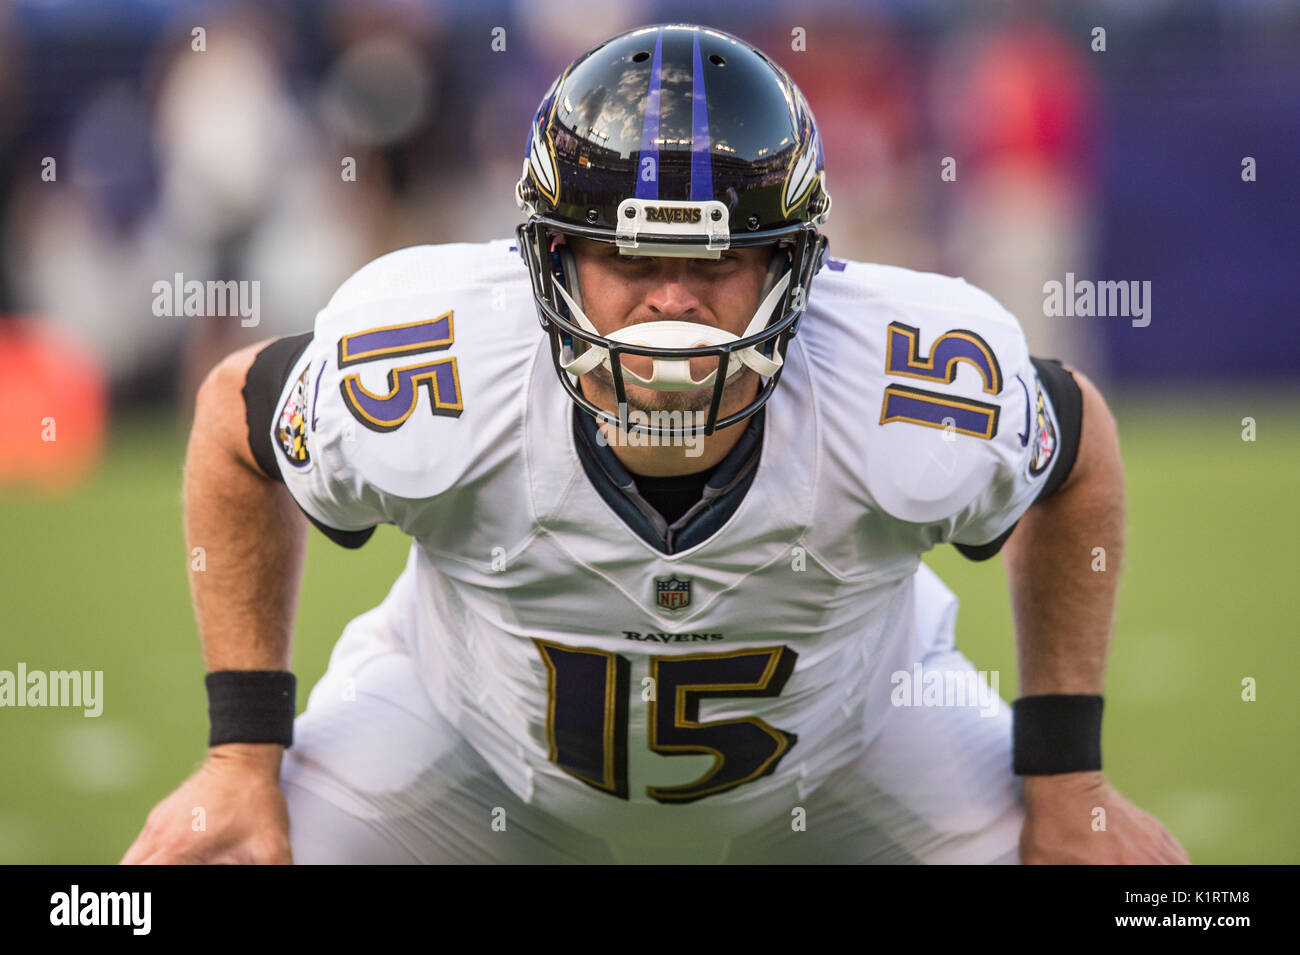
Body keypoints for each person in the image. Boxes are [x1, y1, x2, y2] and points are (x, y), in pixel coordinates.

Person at [123, 23, 1187, 864]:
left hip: (858, 757)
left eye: (718, 264)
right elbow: (234, 421)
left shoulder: (902, 376)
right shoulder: (440, 358)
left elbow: (1074, 446)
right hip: (465, 753)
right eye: (629, 264)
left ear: (795, 269)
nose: (671, 308)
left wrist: (1064, 779)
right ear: (547, 262)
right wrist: (240, 756)